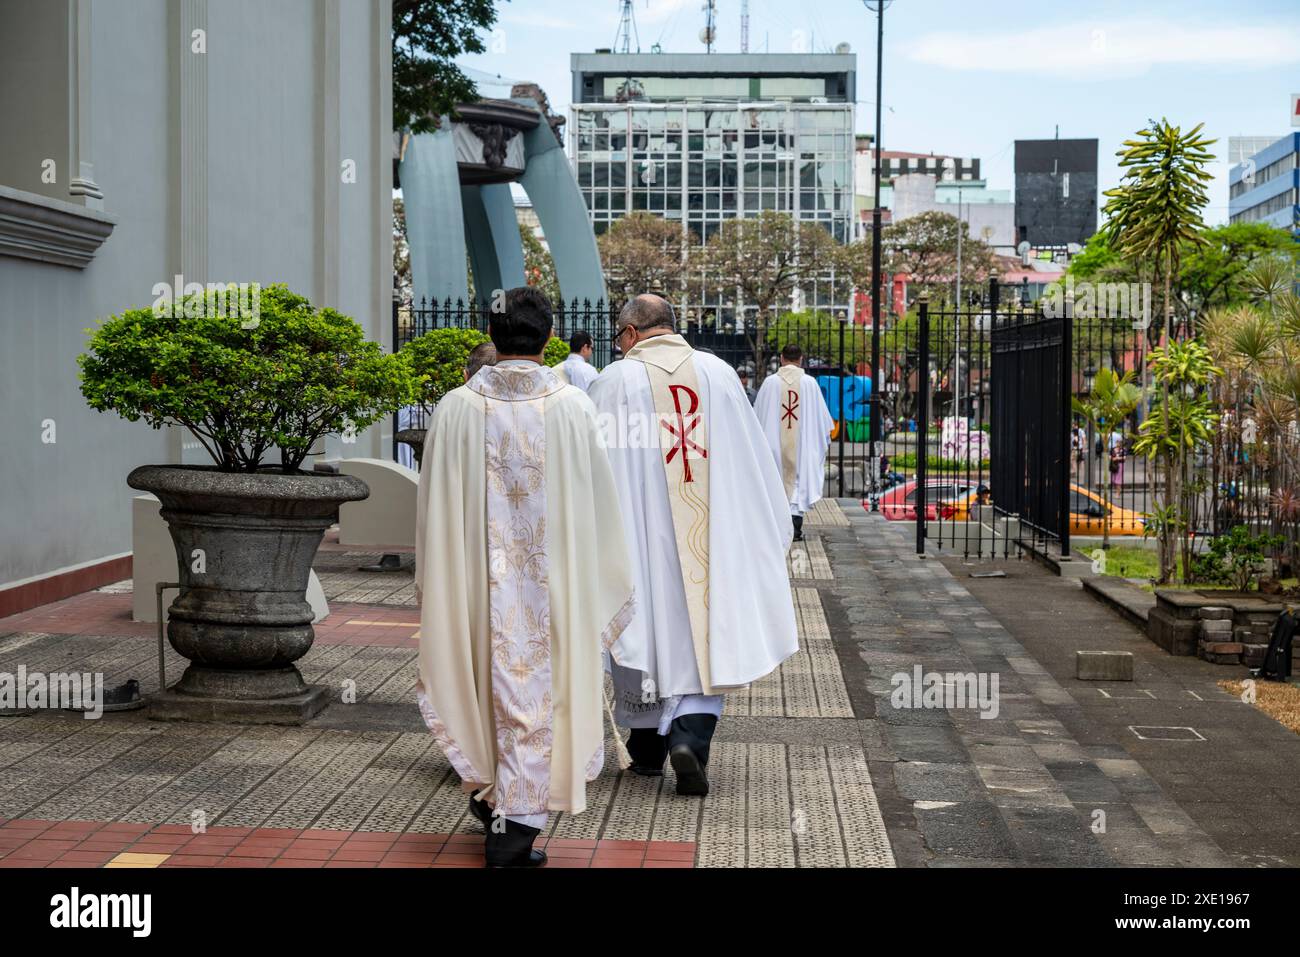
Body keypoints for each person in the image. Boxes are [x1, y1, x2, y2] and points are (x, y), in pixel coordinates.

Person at [414, 287, 635, 867]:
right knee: (546, 690)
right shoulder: (572, 408)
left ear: (491, 332)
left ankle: (497, 801)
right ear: (547, 336)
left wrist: (435, 581)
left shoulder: (455, 408)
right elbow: (600, 510)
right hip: (554, 590)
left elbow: (432, 509)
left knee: (483, 678)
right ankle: (512, 828)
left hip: (475, 587)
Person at [588, 294, 798, 797]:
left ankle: (646, 753)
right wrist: (763, 527)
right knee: (705, 632)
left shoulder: (612, 381)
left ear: (632, 333)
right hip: (711, 538)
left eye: (620, 337)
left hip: (636, 537)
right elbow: (752, 461)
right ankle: (691, 737)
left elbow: (588, 470)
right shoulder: (720, 374)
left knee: (642, 628)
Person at [753, 344, 834, 542]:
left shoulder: (770, 383)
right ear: (801, 359)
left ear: (781, 358)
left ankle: (776, 530)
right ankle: (795, 529)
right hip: (802, 447)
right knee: (798, 481)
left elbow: (756, 417)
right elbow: (823, 422)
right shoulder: (810, 384)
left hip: (773, 446)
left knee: (775, 480)